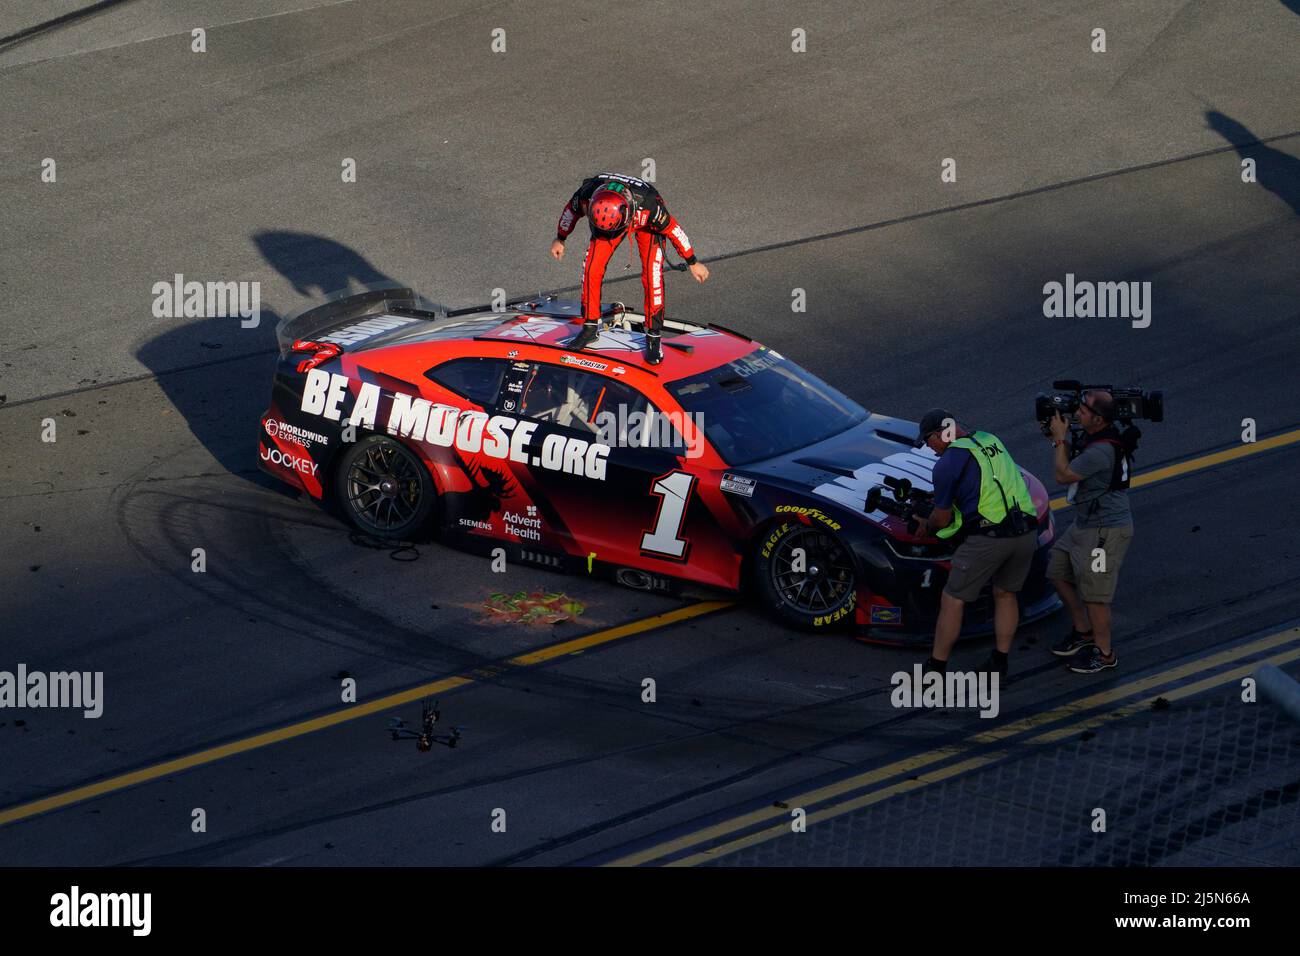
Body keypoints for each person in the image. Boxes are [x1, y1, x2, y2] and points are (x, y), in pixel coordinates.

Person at [912, 409, 1039, 681]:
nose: (929, 447)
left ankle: (936, 668)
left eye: (928, 441)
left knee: (953, 598)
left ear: (939, 435)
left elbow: (942, 518)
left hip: (990, 539)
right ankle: (1000, 661)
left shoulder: (946, 464)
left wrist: (927, 522)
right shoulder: (990, 439)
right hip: (1026, 533)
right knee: (1005, 593)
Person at [550, 173, 709, 364]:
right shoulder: (586, 194)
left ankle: (654, 337)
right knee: (592, 268)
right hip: (612, 217)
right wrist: (560, 238)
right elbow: (570, 212)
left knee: (652, 276)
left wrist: (692, 261)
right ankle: (590, 326)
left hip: (646, 225)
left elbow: (675, 231)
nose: (611, 235)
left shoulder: (652, 208)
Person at [1046, 390, 1135, 673]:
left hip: (1105, 530)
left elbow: (1063, 475)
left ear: (1098, 419)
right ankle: (1084, 633)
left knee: (1096, 596)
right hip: (1085, 522)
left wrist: (1059, 438)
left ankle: (1105, 654)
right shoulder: (1096, 437)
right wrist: (1058, 439)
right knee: (1057, 571)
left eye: (1082, 411)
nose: (1076, 414)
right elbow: (1070, 457)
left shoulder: (1100, 451)